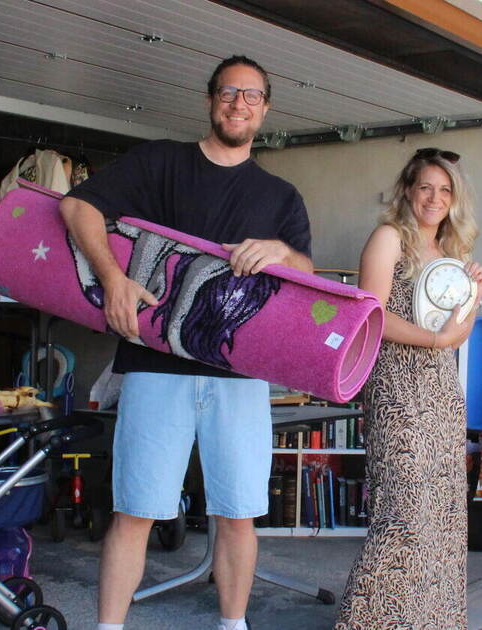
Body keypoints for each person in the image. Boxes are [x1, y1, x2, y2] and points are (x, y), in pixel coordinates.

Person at [59, 55, 313, 630]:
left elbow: (307, 279)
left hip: (239, 377)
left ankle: (233, 625)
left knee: (238, 516)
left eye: (251, 95)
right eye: (229, 92)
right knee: (135, 512)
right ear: (209, 100)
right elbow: (77, 206)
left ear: (265, 109)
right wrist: (113, 278)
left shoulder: (281, 197)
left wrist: (283, 253)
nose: (239, 104)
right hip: (154, 368)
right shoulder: (159, 162)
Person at [335, 148, 482, 629]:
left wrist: (474, 297)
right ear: (407, 190)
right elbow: (371, 315)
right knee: (404, 512)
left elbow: (457, 334)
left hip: (441, 392)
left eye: (445, 190)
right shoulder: (388, 239)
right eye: (426, 187)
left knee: (442, 516)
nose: (435, 198)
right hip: (395, 388)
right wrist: (436, 339)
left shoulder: (453, 255)